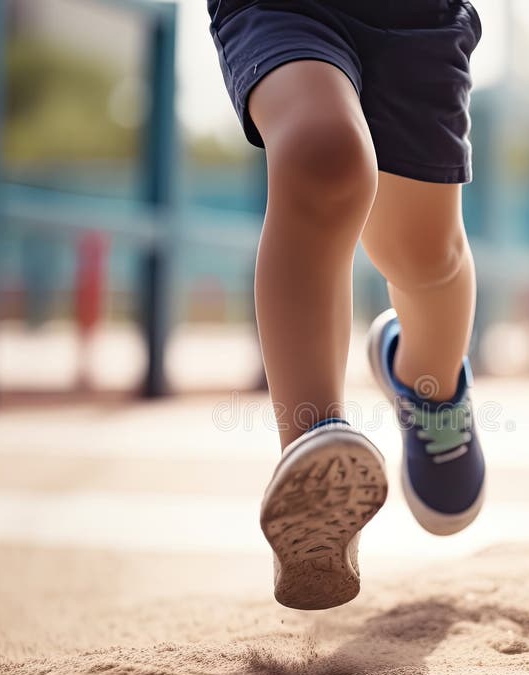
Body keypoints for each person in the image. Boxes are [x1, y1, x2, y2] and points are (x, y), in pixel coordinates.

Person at [208, 0, 486, 610]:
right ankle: (314, 470)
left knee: (425, 254)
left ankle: (430, 388)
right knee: (322, 153)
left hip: (418, 17)